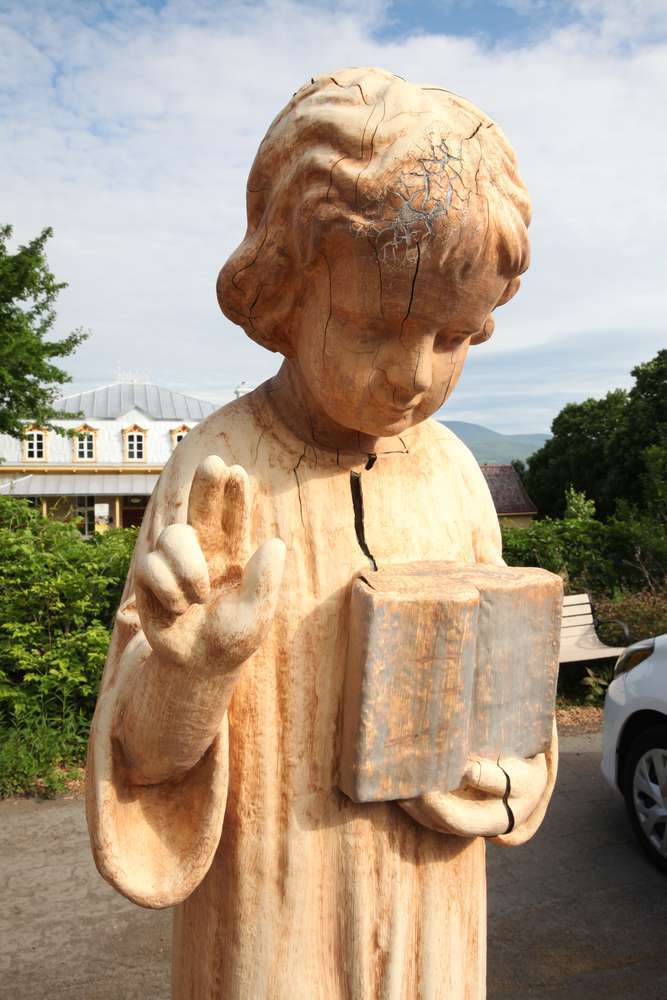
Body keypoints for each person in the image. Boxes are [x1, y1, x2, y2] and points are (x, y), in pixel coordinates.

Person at [87, 67, 557, 999]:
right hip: (272, 923)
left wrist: (509, 779)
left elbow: (506, 702)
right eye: (372, 324)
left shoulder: (456, 473)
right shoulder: (221, 466)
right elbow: (143, 761)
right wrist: (185, 674)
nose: (412, 376)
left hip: (433, 917)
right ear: (284, 291)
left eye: (454, 335)